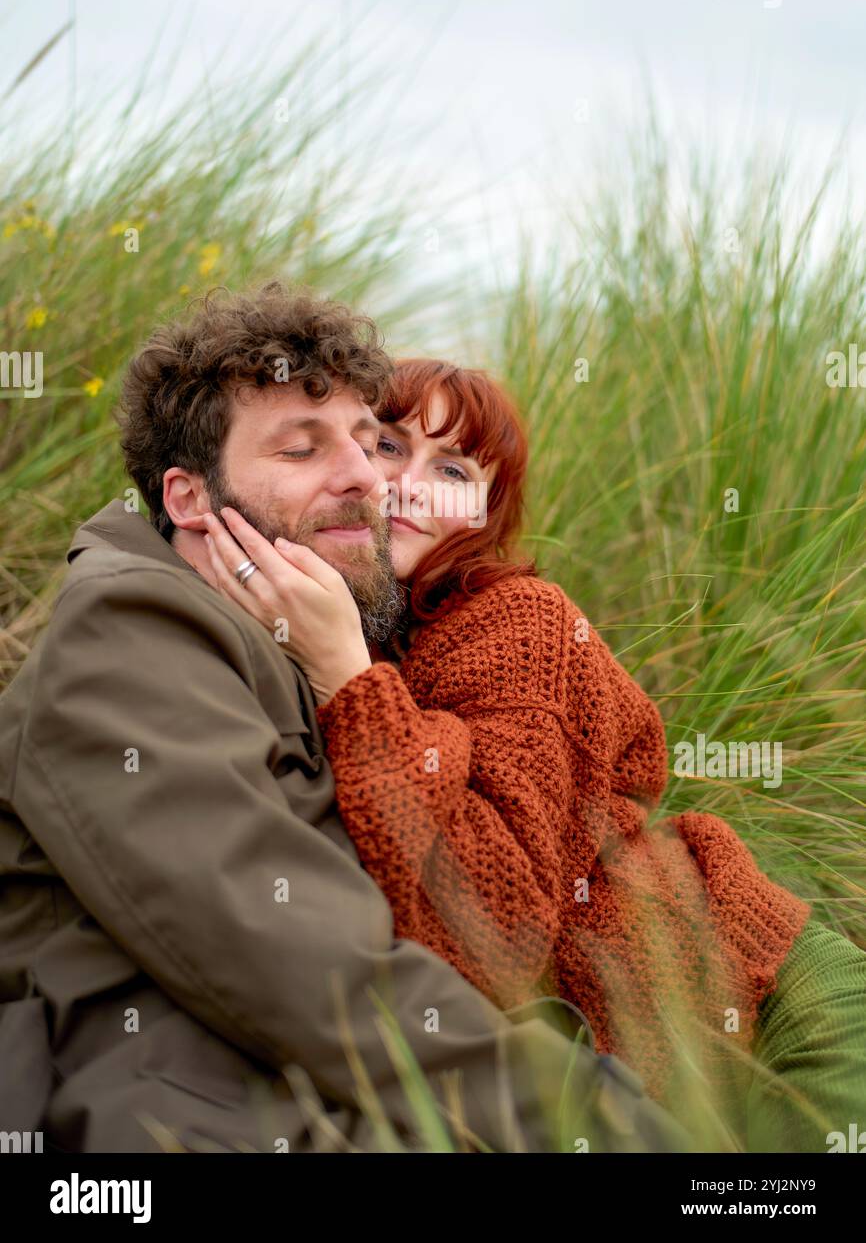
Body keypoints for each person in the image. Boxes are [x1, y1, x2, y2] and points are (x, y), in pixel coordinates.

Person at [0, 283, 689, 1155]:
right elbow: (306, 966)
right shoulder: (130, 632)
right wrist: (589, 1117)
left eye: (368, 444)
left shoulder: (315, 635)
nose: (370, 478)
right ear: (187, 499)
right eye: (302, 449)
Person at [207, 354, 866, 1152]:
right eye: (387, 445)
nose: (411, 484)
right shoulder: (367, 624)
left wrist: (349, 680)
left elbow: (495, 921)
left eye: (450, 468)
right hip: (649, 1067)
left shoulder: (515, 621)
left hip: (774, 995)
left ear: (481, 516)